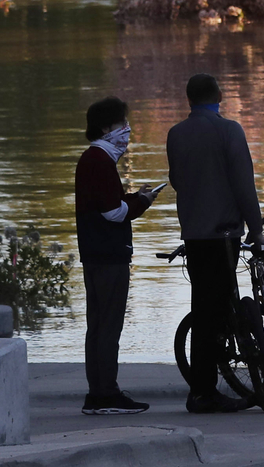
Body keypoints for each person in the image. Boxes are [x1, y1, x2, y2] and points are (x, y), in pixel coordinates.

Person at [166, 74, 264, 414]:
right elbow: (244, 184)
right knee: (216, 311)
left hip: (194, 234)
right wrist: (256, 229)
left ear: (189, 99)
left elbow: (177, 180)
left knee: (203, 309)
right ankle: (203, 393)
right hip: (223, 234)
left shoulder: (176, 134)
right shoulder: (229, 130)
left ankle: (203, 388)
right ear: (219, 95)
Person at [75, 96, 157, 415]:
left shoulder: (92, 159)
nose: (126, 129)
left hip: (94, 254)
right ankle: (106, 393)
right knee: (109, 326)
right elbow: (113, 212)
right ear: (105, 127)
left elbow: (106, 203)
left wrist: (135, 197)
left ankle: (97, 392)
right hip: (109, 256)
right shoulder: (100, 160)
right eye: (121, 123)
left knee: (97, 326)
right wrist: (143, 202)